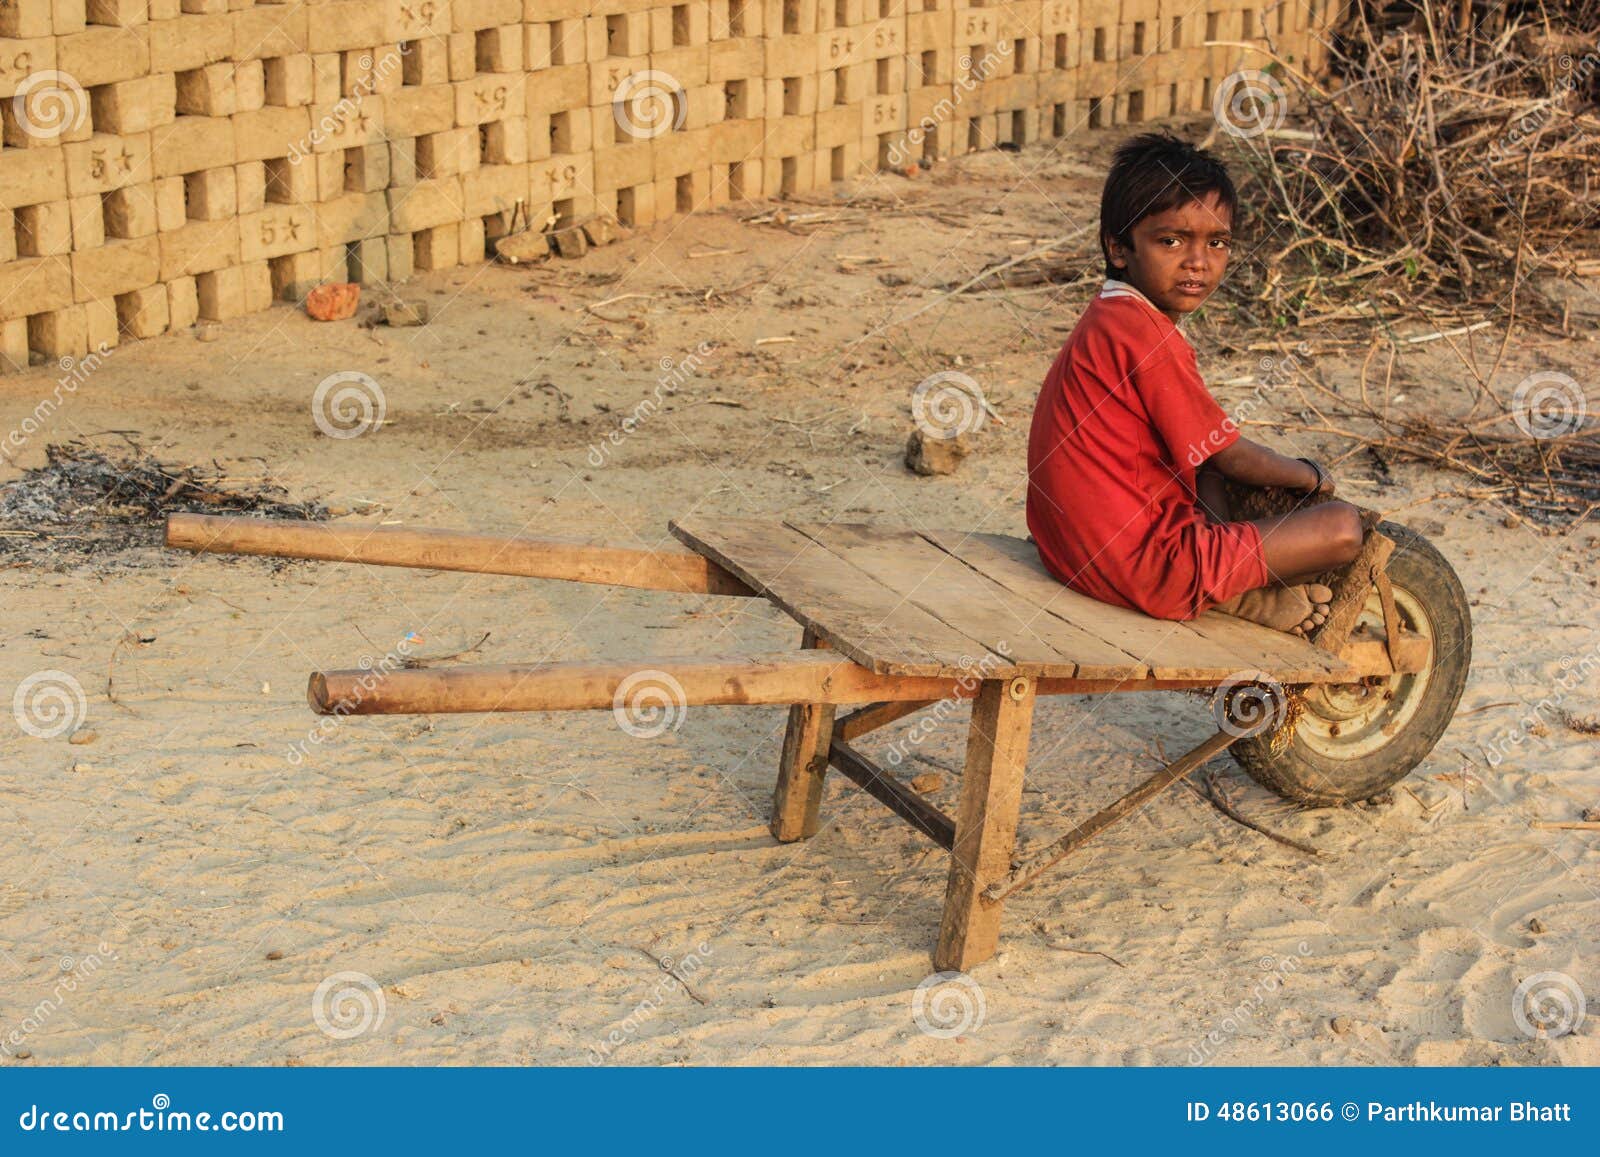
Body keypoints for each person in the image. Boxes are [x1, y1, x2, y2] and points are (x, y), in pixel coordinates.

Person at [1026, 132, 1364, 636]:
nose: (1198, 262)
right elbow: (1230, 455)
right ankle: (1229, 591)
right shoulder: (1147, 336)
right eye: (1171, 241)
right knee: (1343, 528)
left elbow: (1206, 455)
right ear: (1118, 247)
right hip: (1136, 566)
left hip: (1069, 552)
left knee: (1202, 472)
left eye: (1217, 243)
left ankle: (1227, 585)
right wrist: (1309, 474)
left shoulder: (1108, 316)